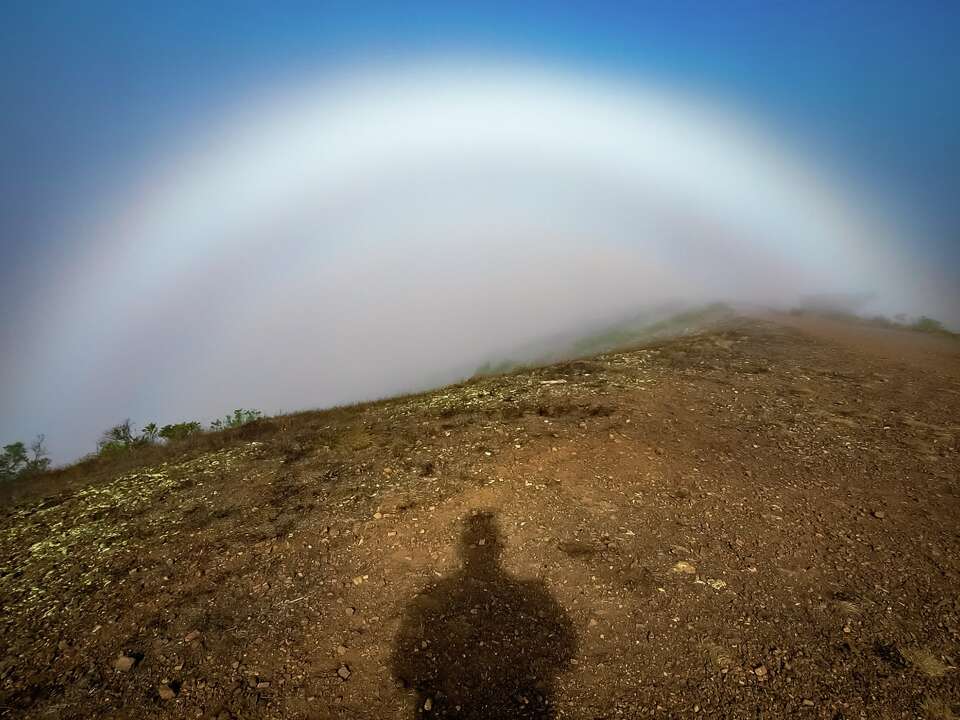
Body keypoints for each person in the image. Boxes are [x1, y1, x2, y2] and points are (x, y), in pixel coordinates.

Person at [392, 511, 577, 718]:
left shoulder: (435, 597)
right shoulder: (531, 594)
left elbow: (404, 671)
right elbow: (564, 651)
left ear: (461, 550)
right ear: (500, 547)